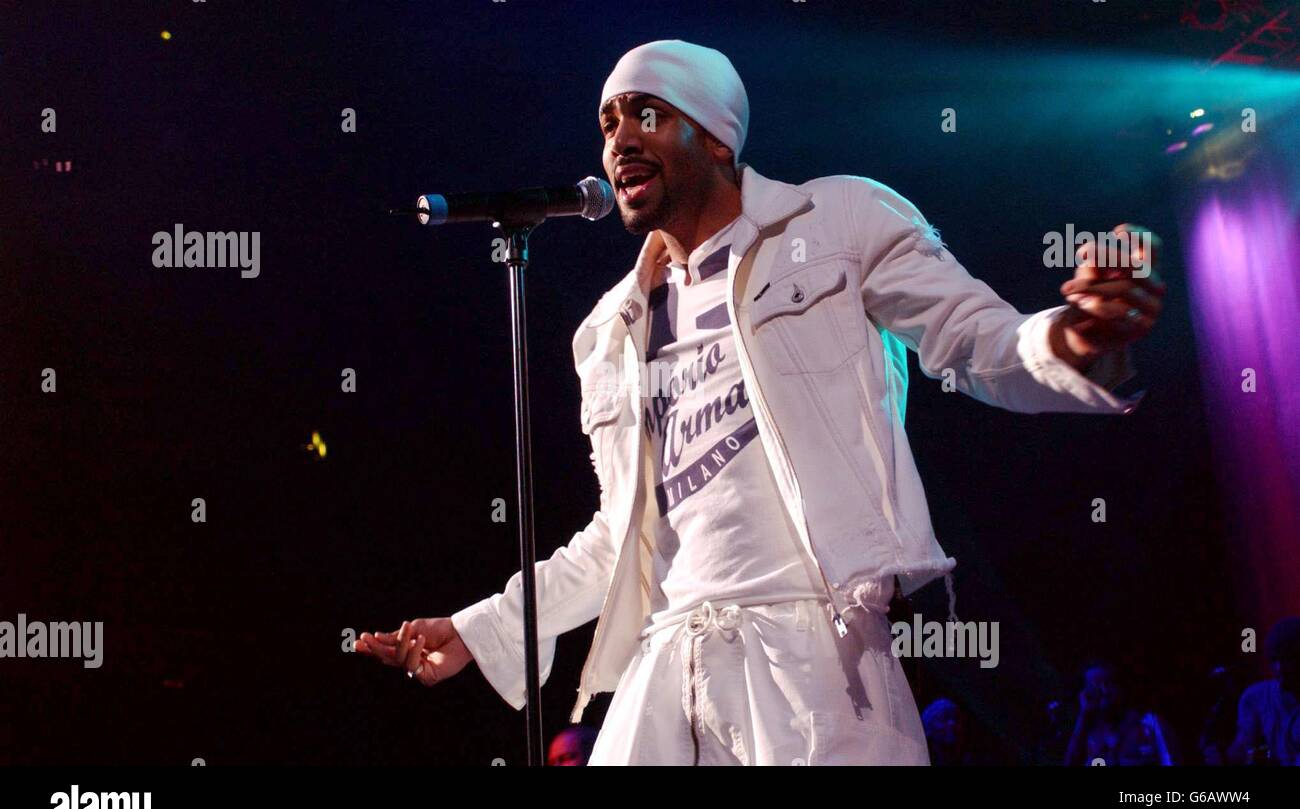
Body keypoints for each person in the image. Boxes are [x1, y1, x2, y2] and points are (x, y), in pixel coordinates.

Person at [355, 40, 1166, 765]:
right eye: (607, 123)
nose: (619, 139)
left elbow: (976, 340)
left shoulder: (838, 219)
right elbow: (619, 536)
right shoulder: (611, 329)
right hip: (666, 667)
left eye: (648, 113)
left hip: (816, 664)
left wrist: (1078, 340)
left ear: (714, 136)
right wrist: (480, 626)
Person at [1063, 660, 1174, 766]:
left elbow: (1170, 761)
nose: (1104, 691)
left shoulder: (1149, 723)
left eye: (1108, 683)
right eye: (1095, 685)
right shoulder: (1087, 734)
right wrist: (1083, 716)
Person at [1228, 617, 1300, 765]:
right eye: (1274, 660)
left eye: (1288, 659)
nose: (1279, 668)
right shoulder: (1255, 698)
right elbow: (1241, 750)